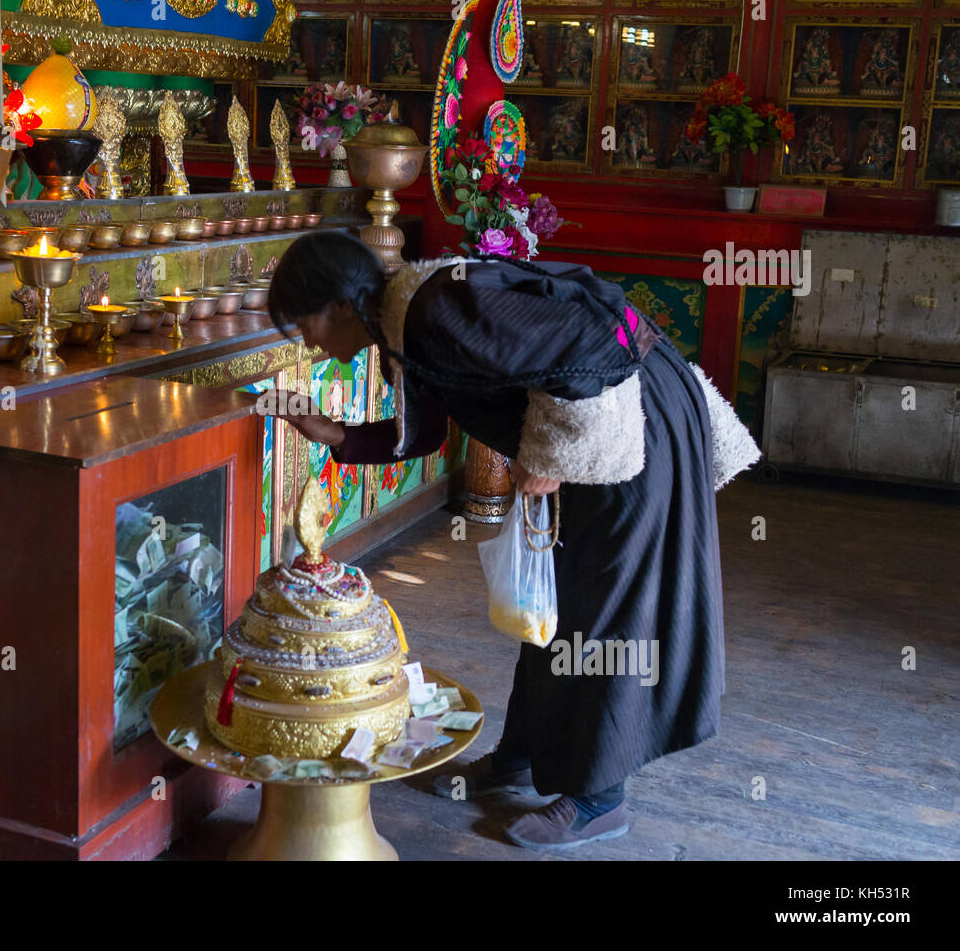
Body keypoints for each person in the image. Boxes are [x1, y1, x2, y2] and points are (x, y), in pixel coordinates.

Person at [267, 231, 758, 849]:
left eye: (303, 323)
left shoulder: (433, 308)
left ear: (340, 305)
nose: (307, 341)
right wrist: (332, 433)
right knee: (558, 597)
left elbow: (593, 337)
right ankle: (519, 758)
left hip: (635, 422)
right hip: (603, 418)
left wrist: (551, 454)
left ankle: (598, 797)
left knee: (607, 607)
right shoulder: (403, 321)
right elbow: (423, 433)